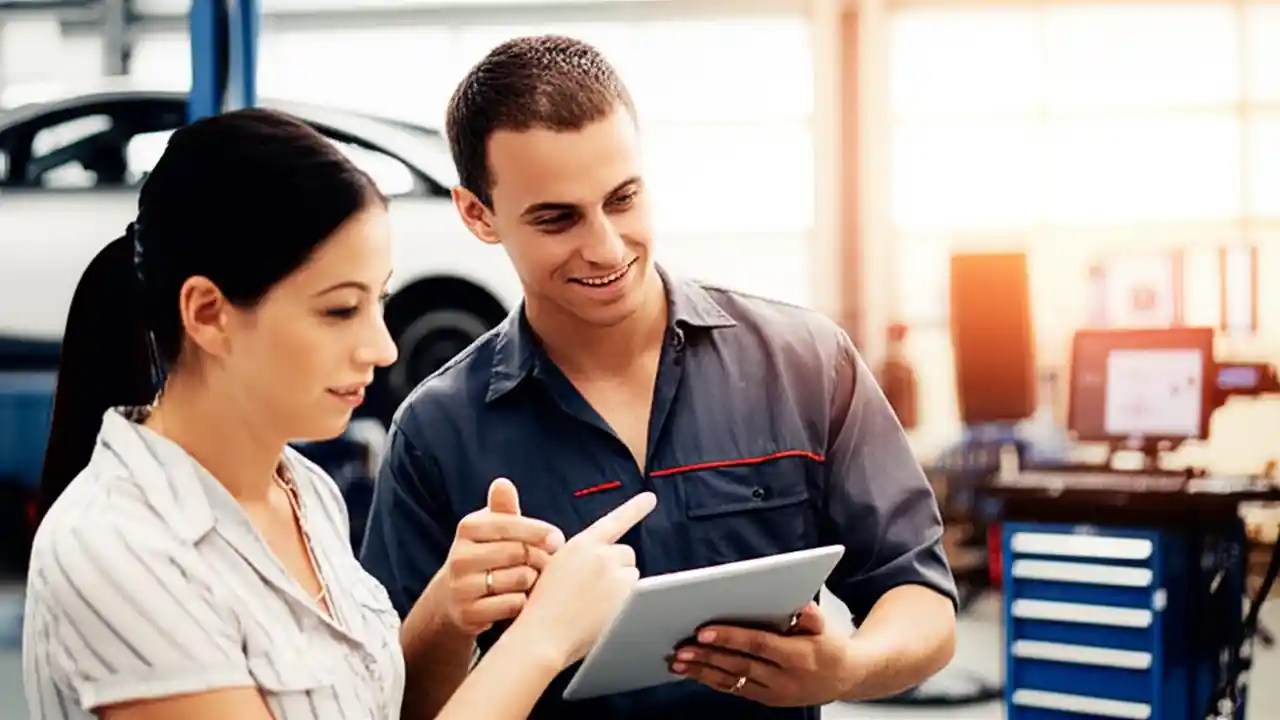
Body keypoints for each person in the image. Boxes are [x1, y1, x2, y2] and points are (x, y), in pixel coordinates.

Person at [359, 34, 959, 720]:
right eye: (557, 219)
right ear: (478, 215)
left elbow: (922, 602)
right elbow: (394, 705)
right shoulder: (437, 433)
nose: (606, 247)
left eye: (623, 198)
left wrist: (847, 668)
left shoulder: (806, 364)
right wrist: (447, 616)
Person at [21, 108, 655, 720]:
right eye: (339, 310)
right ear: (209, 313)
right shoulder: (120, 552)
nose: (382, 349)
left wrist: (449, 611)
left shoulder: (303, 492)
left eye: (378, 301)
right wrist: (540, 642)